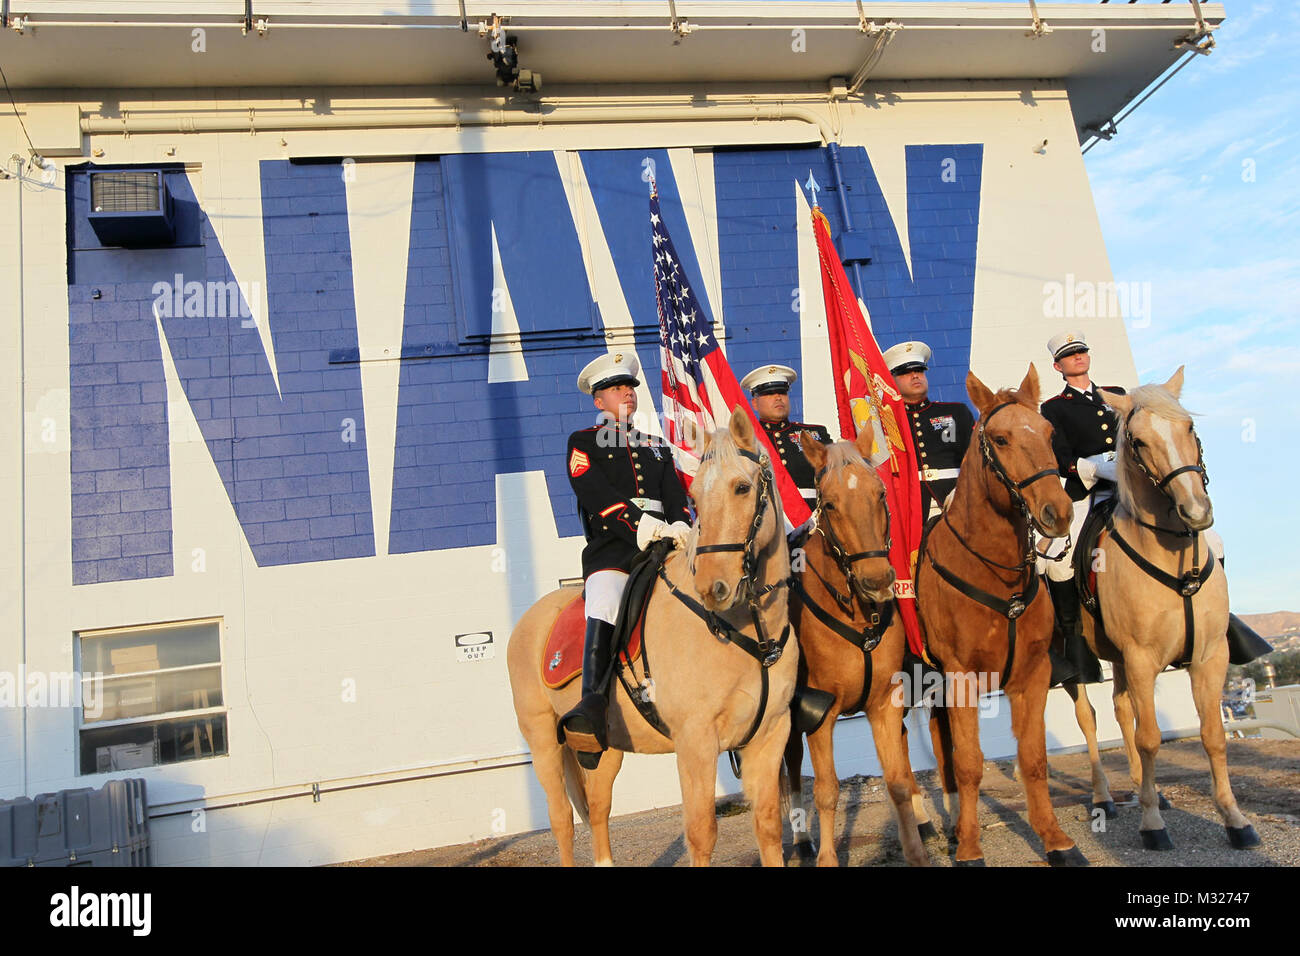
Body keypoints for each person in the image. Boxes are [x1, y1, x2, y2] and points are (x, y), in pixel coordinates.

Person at [559, 352, 692, 767]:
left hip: (665, 546)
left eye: (630, 387)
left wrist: (681, 525)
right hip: (614, 550)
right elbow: (597, 498)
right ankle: (591, 706)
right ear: (598, 401)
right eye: (616, 389)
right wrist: (644, 526)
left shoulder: (655, 445)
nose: (627, 395)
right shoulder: (582, 444)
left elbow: (675, 496)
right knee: (604, 600)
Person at [1037, 331, 1124, 682]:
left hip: (1129, 487)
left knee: (1211, 541)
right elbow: (1061, 458)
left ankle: (1217, 621)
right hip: (1090, 492)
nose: (1078, 357)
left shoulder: (1117, 395)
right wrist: (1094, 467)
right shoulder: (1054, 407)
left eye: (1082, 351)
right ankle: (1074, 639)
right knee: (1057, 561)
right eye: (1070, 355)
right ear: (1058, 366)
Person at [882, 341, 975, 521]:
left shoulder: (956, 412)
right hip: (910, 507)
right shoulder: (887, 421)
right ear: (891, 380)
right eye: (905, 372)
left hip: (959, 500)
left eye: (919, 370)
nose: (915, 376)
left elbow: (975, 458)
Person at [739, 364, 830, 512]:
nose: (778, 397)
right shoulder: (747, 438)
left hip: (813, 518)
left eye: (782, 392)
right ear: (755, 404)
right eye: (769, 393)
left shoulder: (814, 433)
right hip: (766, 520)